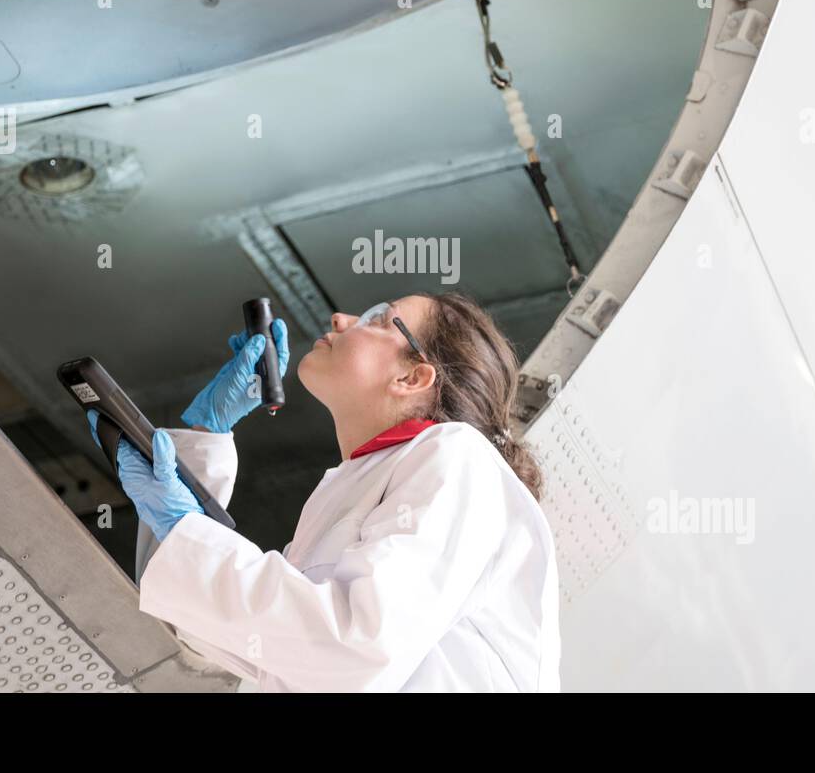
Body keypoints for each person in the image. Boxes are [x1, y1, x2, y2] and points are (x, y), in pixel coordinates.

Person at [89, 292, 560, 692]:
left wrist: (179, 524)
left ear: (412, 378)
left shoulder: (458, 456)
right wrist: (204, 436)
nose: (341, 319)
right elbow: (206, 626)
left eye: (378, 317)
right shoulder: (352, 490)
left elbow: (356, 643)